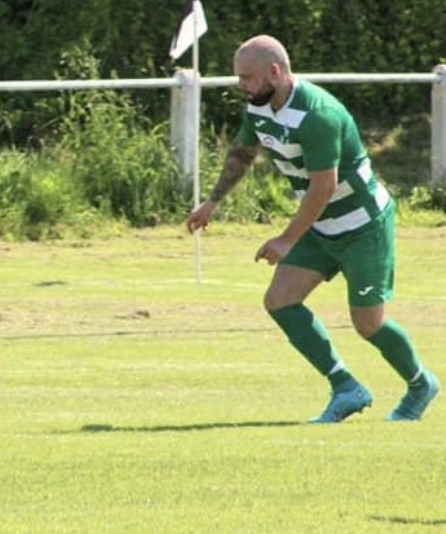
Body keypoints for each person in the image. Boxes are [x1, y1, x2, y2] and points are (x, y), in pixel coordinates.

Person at [187, 34, 439, 423]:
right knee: (280, 300)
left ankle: (421, 384)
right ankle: (346, 388)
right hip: (321, 225)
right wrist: (213, 201)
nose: (241, 85)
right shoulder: (258, 108)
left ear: (275, 72)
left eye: (247, 77)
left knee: (368, 323)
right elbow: (242, 152)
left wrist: (287, 240)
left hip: (363, 227)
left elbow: (324, 186)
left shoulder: (318, 114)